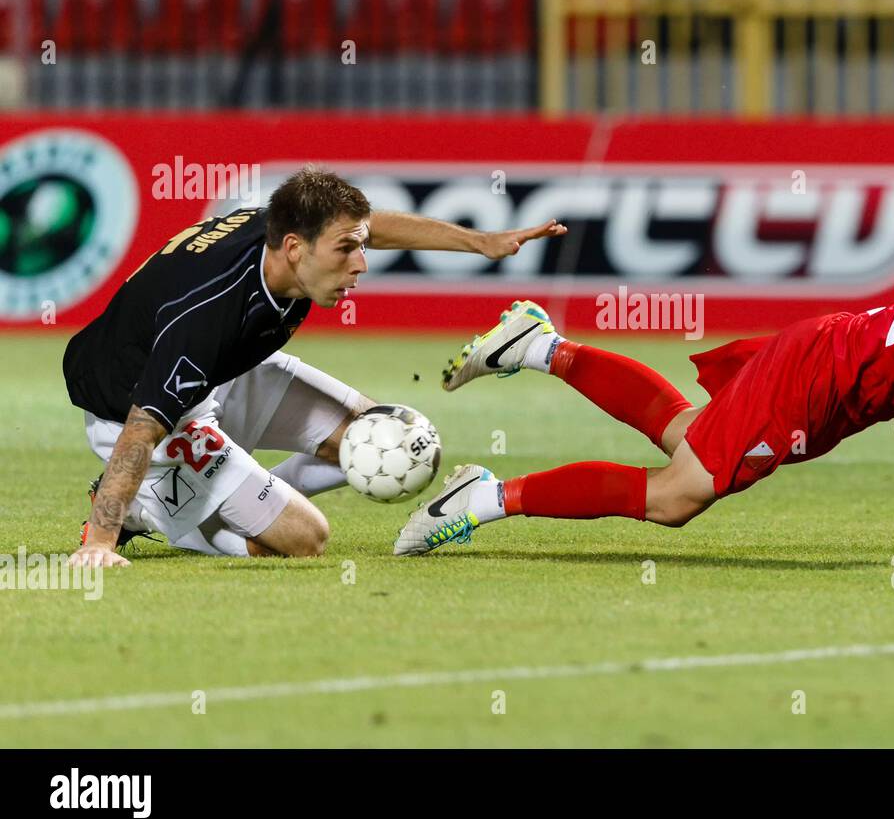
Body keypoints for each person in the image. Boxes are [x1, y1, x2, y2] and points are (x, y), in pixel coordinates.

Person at [395, 197, 894, 556]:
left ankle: (539, 347)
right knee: (676, 497)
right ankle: (489, 498)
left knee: (691, 435)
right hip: (821, 373)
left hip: (847, 398)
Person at [64, 166, 565, 567]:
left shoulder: (286, 229)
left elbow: (372, 226)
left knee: (388, 433)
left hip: (215, 375)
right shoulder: (209, 316)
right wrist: (99, 545)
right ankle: (144, 511)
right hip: (144, 412)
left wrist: (482, 243)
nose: (361, 263)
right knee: (304, 540)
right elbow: (139, 430)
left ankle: (226, 492)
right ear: (295, 249)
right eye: (346, 250)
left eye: (359, 246)